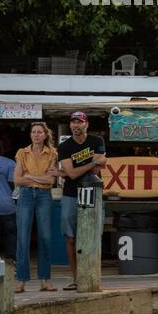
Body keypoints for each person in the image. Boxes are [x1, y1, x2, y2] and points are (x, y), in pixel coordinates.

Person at [57, 112, 107, 290]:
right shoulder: (64, 146)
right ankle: (76, 278)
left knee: (92, 234)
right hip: (70, 194)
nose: (76, 126)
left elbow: (97, 173)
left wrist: (92, 166)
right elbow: (72, 174)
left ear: (86, 124)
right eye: (73, 123)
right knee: (71, 237)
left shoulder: (97, 141)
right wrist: (93, 163)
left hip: (92, 192)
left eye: (80, 122)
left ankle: (91, 274)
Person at [13, 121, 60, 293]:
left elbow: (50, 181)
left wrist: (29, 176)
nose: (36, 135)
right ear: (30, 135)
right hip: (25, 195)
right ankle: (21, 280)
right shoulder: (22, 152)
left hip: (43, 196)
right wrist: (38, 178)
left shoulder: (52, 153)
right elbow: (17, 180)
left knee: (46, 237)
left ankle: (45, 279)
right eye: (34, 132)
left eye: (40, 132)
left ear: (45, 135)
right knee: (23, 238)